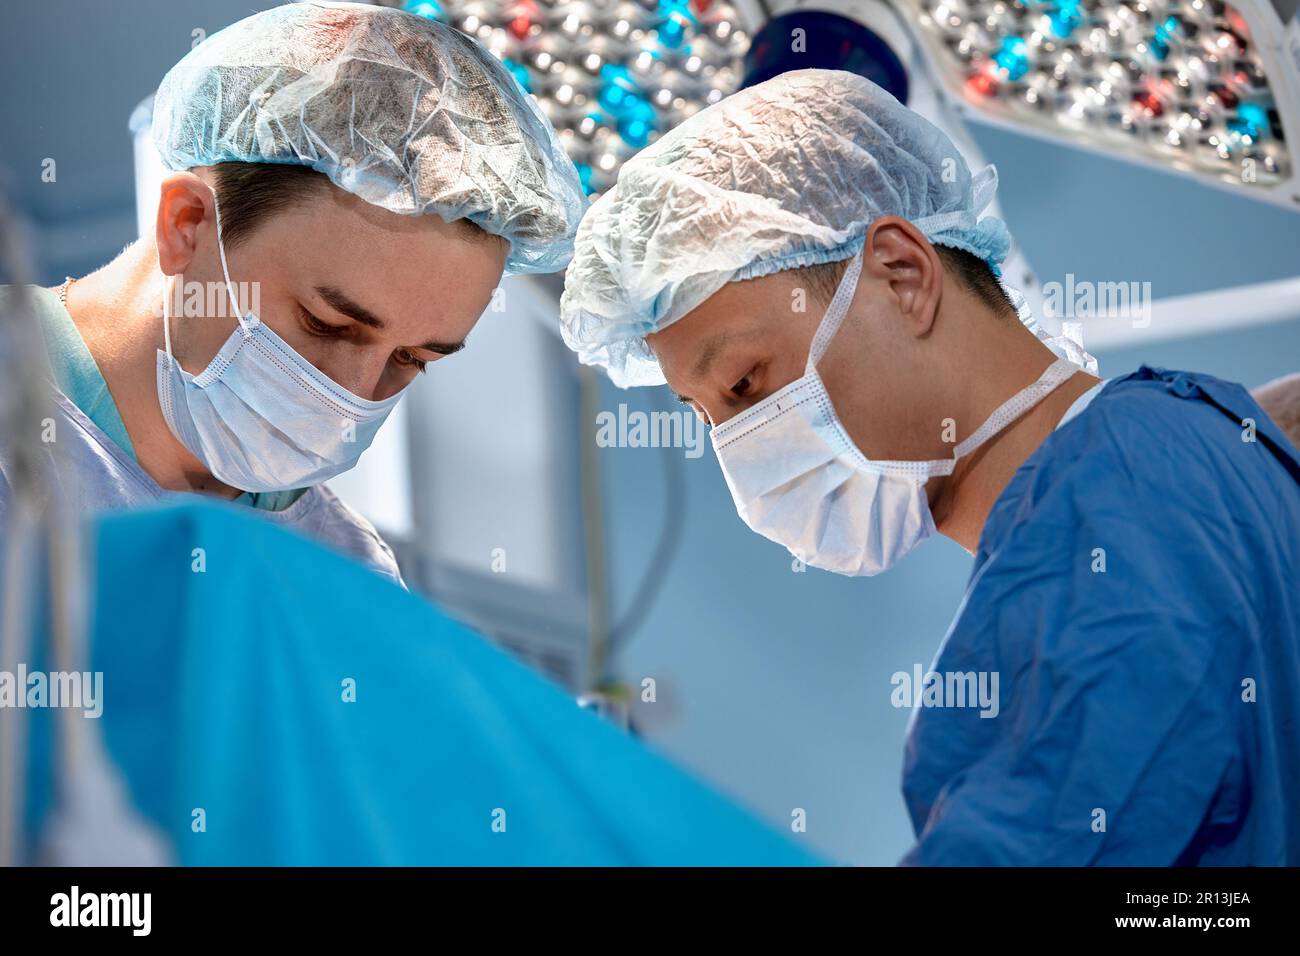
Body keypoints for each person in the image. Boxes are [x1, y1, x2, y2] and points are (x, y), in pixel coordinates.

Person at [560, 69, 1300, 864]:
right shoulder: (1183, 457)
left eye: (746, 384)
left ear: (903, 276)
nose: (742, 450)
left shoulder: (1118, 488)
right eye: (706, 417)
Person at [0, 2, 584, 586]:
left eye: (413, 360)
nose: (350, 397)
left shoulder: (349, 575)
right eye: (326, 323)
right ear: (188, 224)